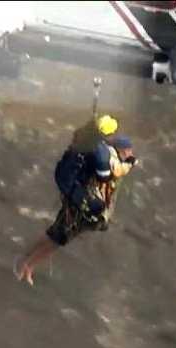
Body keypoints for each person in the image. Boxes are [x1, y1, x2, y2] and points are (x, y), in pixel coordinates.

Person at [15, 116, 137, 286]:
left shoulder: (93, 146)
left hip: (77, 199)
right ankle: (26, 263)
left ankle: (27, 263)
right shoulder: (106, 154)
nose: (130, 153)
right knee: (56, 238)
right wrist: (130, 164)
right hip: (81, 206)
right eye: (128, 150)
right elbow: (111, 173)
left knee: (57, 237)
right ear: (121, 149)